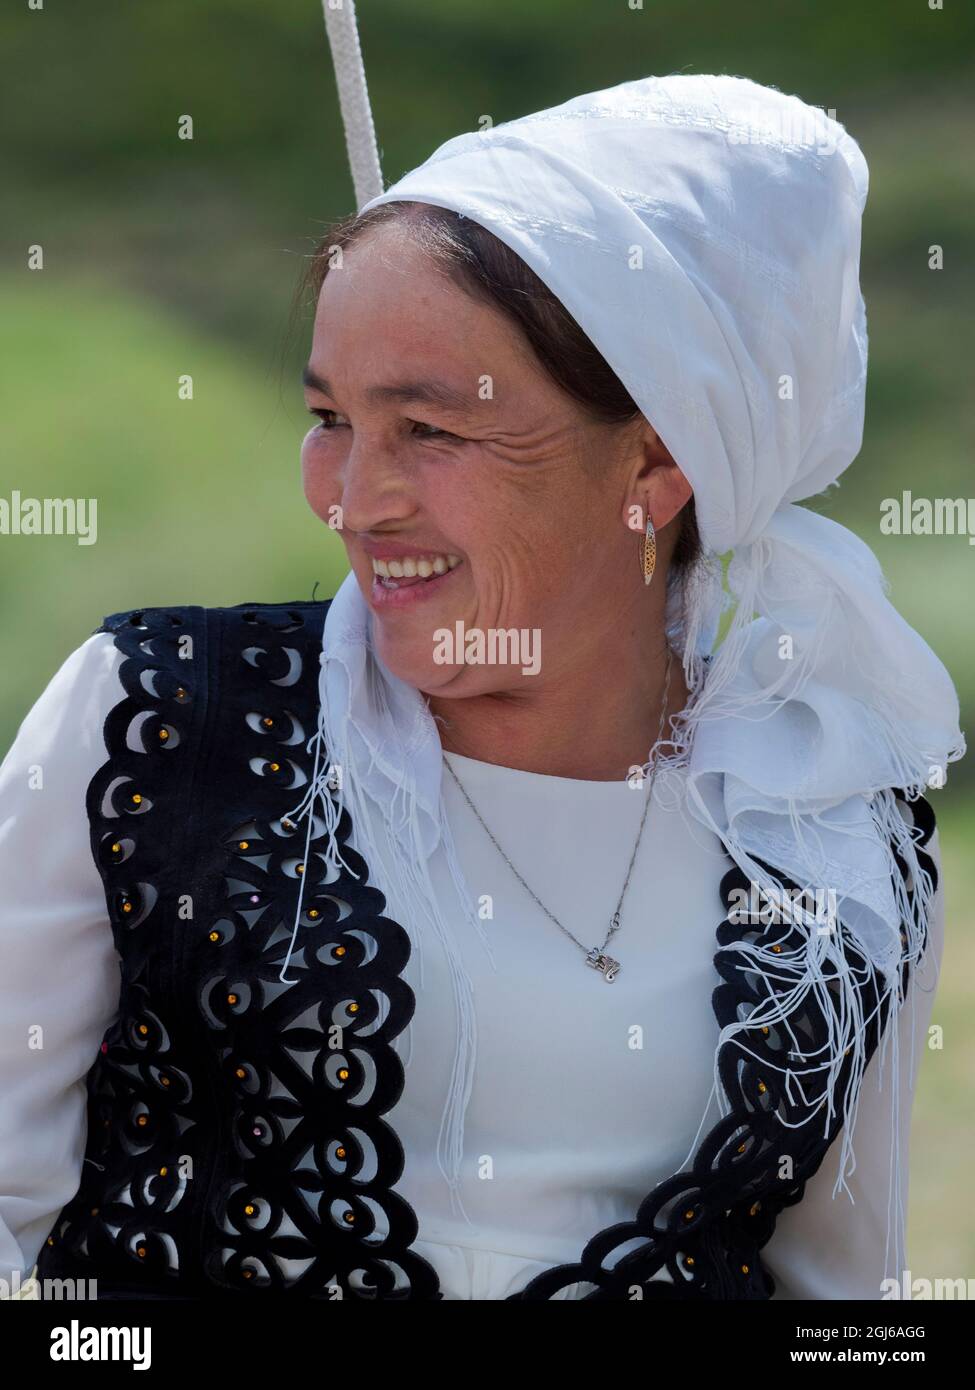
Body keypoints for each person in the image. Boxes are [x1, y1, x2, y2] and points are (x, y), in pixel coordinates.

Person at [0, 73, 963, 1302]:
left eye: (431, 431)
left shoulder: (824, 830)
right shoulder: (160, 727)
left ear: (658, 461)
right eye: (329, 415)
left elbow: (838, 1296)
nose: (351, 497)